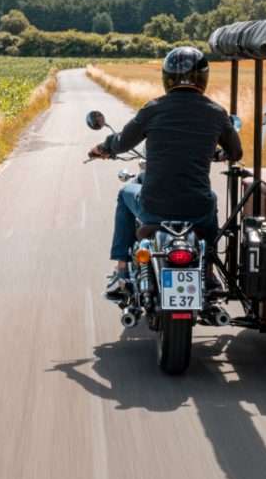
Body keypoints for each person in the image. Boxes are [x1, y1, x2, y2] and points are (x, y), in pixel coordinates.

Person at [89, 46, 243, 301]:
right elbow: (235, 153)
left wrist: (102, 148)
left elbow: (122, 142)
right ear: (203, 78)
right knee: (212, 199)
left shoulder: (153, 109)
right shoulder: (216, 112)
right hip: (197, 210)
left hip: (155, 208)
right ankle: (209, 271)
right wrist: (217, 153)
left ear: (167, 77)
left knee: (125, 193)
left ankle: (121, 271)